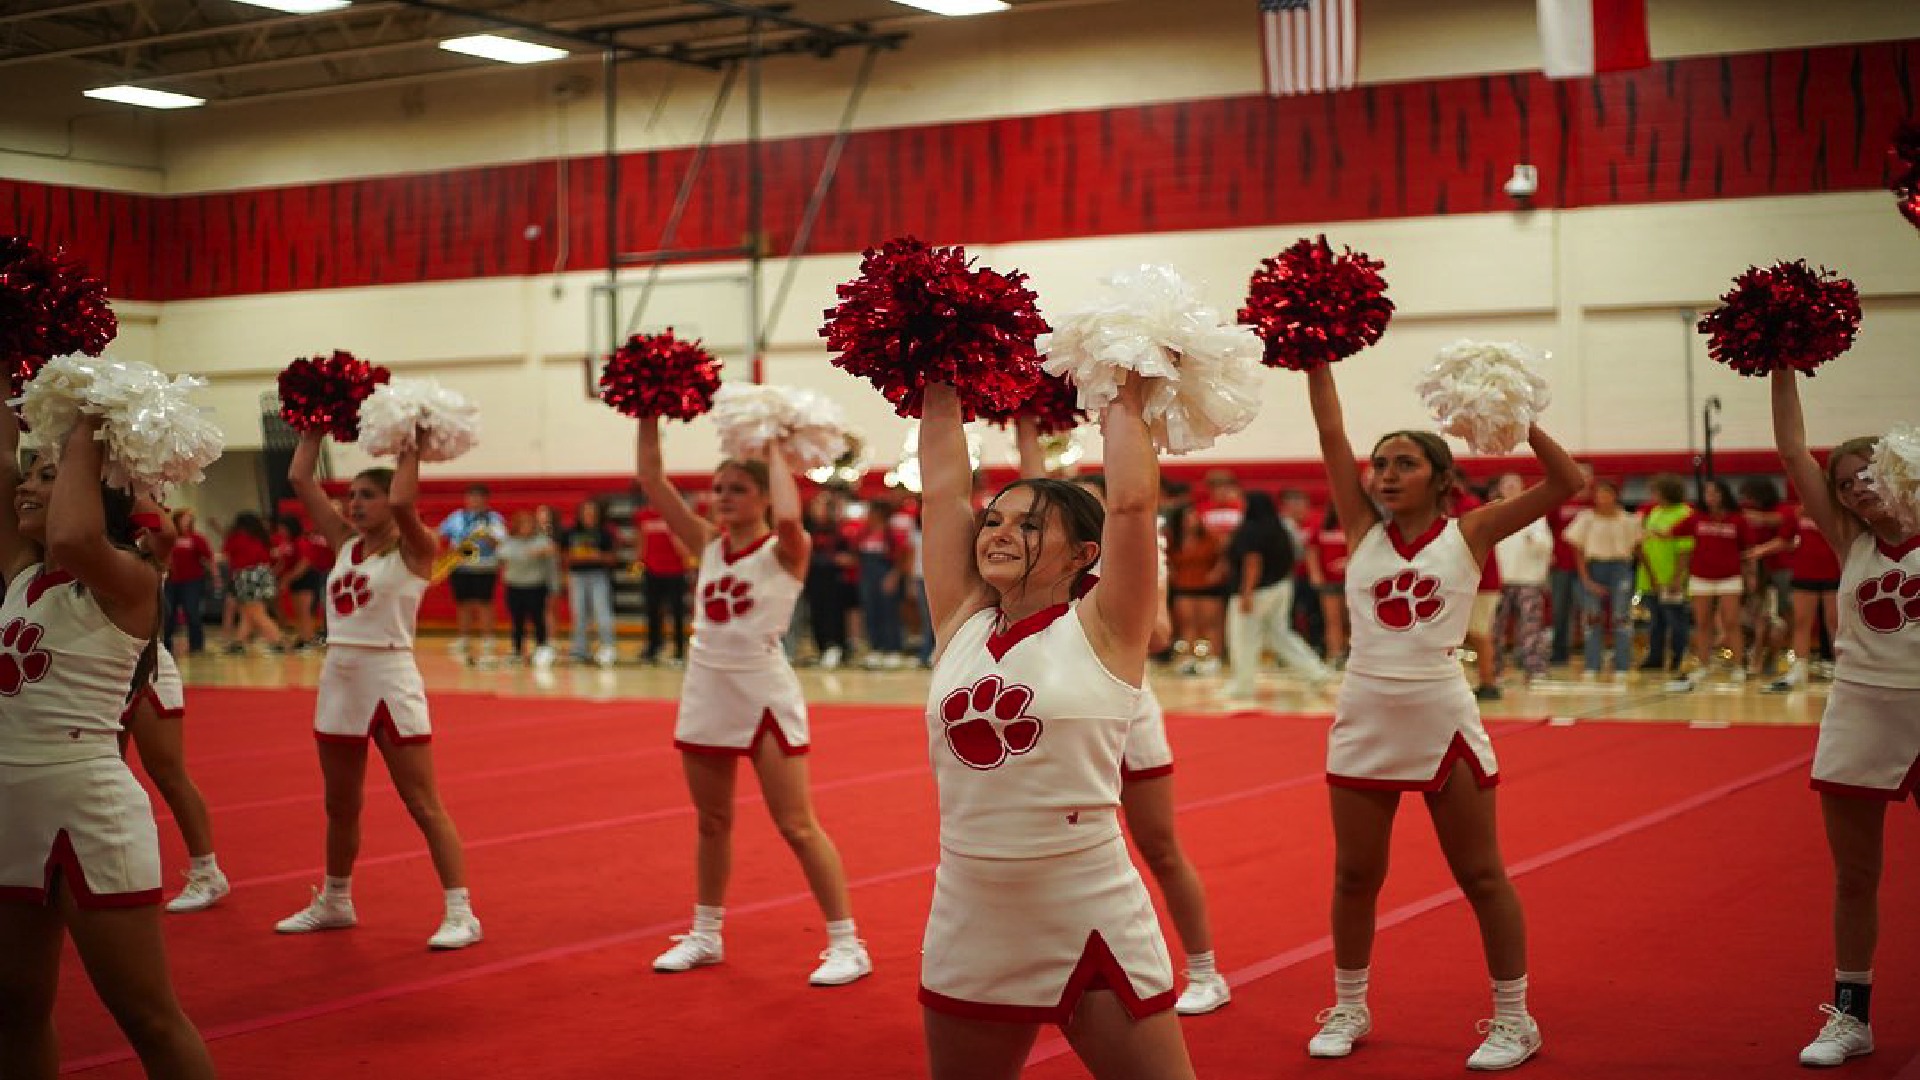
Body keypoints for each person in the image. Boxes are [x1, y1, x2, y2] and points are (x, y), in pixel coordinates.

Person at [1300, 361, 1582, 1070]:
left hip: (1441, 715)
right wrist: (1317, 361)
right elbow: (1330, 432)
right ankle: (1350, 1004)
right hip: (1364, 712)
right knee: (1354, 877)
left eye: (1405, 464)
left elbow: (1568, 483)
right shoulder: (1361, 525)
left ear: (1441, 477)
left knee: (1481, 876)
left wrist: (1518, 419)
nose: (1385, 476)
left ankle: (1516, 1019)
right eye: (1381, 465)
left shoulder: (1473, 531)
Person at [919, 379, 1196, 1079]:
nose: (1001, 532)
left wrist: (1124, 390)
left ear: (1083, 555)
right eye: (996, 521)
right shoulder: (961, 622)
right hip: (970, 907)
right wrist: (938, 378)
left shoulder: (1108, 626)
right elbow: (943, 495)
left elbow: (1132, 504)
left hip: (1086, 907)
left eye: (1031, 524)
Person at [0, 410, 217, 1078]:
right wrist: (10, 371)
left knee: (148, 1017)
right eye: (27, 475)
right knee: (14, 1011)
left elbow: (70, 534)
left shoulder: (128, 581)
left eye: (46, 474)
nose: (25, 486)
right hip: (12, 810)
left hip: (89, 811)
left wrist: (84, 422)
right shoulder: (19, 577)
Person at [634, 415, 870, 986]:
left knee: (796, 825)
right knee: (711, 821)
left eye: (737, 489)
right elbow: (651, 479)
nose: (722, 498)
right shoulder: (706, 544)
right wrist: (647, 414)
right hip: (706, 688)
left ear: (763, 494)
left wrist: (771, 446)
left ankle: (847, 943)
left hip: (762, 690)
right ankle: (706, 934)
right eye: (718, 489)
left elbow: (790, 515)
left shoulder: (788, 548)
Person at [1017, 422, 1232, 1018]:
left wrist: (1111, 590)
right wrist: (1026, 425)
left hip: (1124, 714)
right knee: (1046, 845)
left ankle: (1206, 970)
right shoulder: (1042, 561)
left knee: (1159, 848)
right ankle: (1043, 970)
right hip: (1056, 718)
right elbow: (1033, 484)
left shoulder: (1132, 556)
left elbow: (1159, 634)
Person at [276, 431, 481, 950]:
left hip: (389, 679)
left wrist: (410, 446)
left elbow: (407, 501)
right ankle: (337, 901)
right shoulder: (345, 545)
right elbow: (301, 477)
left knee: (422, 803)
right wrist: (313, 423)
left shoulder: (418, 550)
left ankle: (462, 911)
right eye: (353, 495)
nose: (355, 503)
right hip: (338, 678)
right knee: (339, 806)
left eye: (369, 495)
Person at [1769, 370, 1918, 1067]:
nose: (1857, 488)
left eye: (1869, 475)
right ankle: (1851, 1017)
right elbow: (1793, 450)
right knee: (1855, 876)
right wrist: (1780, 362)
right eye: (1847, 481)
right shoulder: (1846, 541)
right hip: (1860, 708)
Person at [121, 505, 228, 914]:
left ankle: (207, 871)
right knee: (102, 771)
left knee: (167, 772)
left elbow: (163, 529)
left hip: (143, 667)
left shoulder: (139, 548)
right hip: (91, 672)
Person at [1226, 490, 1332, 699]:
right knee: (1280, 634)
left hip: (1255, 591)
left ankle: (1243, 684)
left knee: (1244, 637)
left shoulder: (1250, 530)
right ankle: (1315, 671)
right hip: (1282, 586)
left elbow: (1252, 562)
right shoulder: (1282, 528)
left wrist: (1246, 592)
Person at [1667, 478, 1753, 692]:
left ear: (1724, 494)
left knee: (1732, 621)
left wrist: (1751, 575)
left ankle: (1738, 667)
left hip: (1730, 577)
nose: (1710, 497)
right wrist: (1644, 530)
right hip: (1701, 577)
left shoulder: (1737, 520)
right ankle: (1704, 665)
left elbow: (1748, 550)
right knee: (1702, 622)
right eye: (1707, 493)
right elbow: (1671, 532)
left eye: (1714, 493)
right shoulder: (1696, 518)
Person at [1563, 479, 1640, 680]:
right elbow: (1577, 549)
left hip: (1620, 568)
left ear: (1615, 496)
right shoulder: (1586, 518)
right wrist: (1586, 578)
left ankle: (1622, 665)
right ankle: (1592, 664)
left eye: (1607, 494)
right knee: (1592, 617)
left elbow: (1636, 548)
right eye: (1599, 494)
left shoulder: (1628, 520)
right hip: (1593, 567)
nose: (1603, 498)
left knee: (1621, 618)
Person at [1489, 474, 1553, 688]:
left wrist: (1533, 540)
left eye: (1515, 484)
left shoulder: (1533, 512)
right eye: (1506, 484)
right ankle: (1493, 670)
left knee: (1531, 627)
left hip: (1528, 580)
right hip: (1499, 581)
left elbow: (1545, 545)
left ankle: (1535, 669)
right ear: (1500, 488)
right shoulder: (1493, 511)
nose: (1510, 488)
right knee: (1494, 628)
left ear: (1522, 486)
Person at [436, 484, 505, 666]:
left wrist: (486, 535)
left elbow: (500, 543)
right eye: (470, 497)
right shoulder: (457, 517)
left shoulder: (494, 519)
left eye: (478, 497)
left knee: (484, 603)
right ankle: (464, 639)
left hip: (485, 566)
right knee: (463, 603)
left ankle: (488, 640)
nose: (474, 501)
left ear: (485, 499)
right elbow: (440, 534)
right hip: (460, 566)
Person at [1637, 475, 1694, 675]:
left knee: (1676, 620)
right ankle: (1655, 657)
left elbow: (1685, 550)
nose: (1653, 496)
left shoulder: (1685, 513)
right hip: (1650, 575)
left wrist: (1678, 577)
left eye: (1656, 491)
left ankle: (1679, 657)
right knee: (1655, 620)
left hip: (1672, 577)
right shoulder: (1654, 512)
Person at [636, 491, 691, 667]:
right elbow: (641, 540)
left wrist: (674, 533)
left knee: (677, 613)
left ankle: (679, 651)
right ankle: (653, 648)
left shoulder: (675, 517)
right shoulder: (643, 516)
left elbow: (685, 548)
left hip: (675, 571)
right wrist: (639, 563)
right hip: (652, 571)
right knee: (652, 611)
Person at [562, 500, 619, 665]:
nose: (589, 516)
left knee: (602, 613)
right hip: (577, 577)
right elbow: (564, 556)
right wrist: (578, 557)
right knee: (579, 614)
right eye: (586, 512)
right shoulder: (571, 532)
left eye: (592, 513)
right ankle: (579, 649)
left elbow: (612, 557)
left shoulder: (605, 533)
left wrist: (597, 556)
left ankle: (608, 647)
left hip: (598, 575)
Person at [498, 509, 558, 667]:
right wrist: (526, 554)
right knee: (517, 620)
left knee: (538, 619)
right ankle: (517, 650)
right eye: (523, 525)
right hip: (514, 587)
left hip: (535, 587)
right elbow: (502, 555)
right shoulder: (509, 542)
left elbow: (551, 553)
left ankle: (542, 648)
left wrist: (543, 552)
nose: (527, 528)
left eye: (530, 525)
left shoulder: (541, 541)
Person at [220, 511, 283, 655]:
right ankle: (239, 643)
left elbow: (225, 556)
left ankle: (277, 640)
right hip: (264, 574)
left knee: (256, 613)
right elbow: (272, 558)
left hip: (247, 575)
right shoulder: (261, 537)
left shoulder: (236, 537)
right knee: (247, 612)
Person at [163, 508, 214, 655]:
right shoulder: (170, 537)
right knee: (168, 613)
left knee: (192, 612)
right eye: (185, 518)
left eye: (190, 518)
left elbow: (208, 558)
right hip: (171, 581)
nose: (187, 521)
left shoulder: (197, 538)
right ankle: (166, 645)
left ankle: (196, 645)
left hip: (192, 581)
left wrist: (215, 576)